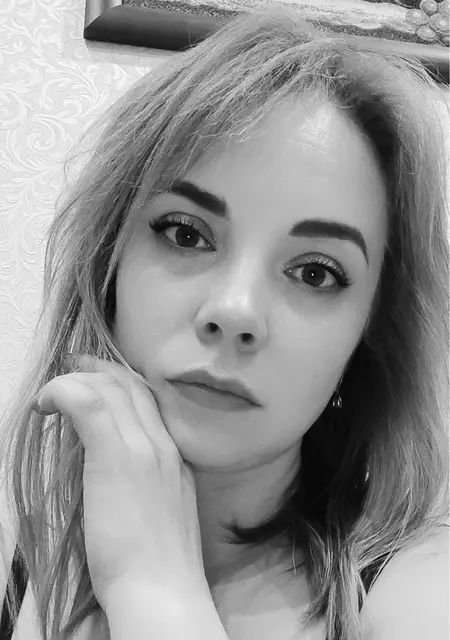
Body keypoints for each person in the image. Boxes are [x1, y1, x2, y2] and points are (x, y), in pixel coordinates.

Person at [0, 5, 448, 640]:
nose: (234, 311)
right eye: (185, 234)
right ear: (108, 265)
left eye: (315, 273)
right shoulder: (43, 557)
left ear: (368, 335)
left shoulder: (423, 594)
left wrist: (151, 589)